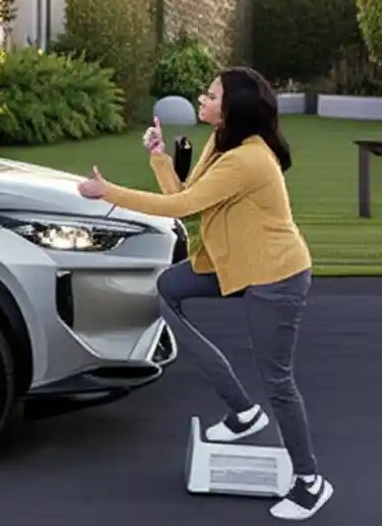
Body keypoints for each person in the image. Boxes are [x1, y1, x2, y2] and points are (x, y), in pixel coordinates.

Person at [76, 67, 331, 522]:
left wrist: (107, 193)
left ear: (231, 107)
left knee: (278, 380)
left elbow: (178, 208)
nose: (202, 98)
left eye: (211, 94)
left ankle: (310, 481)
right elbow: (188, 195)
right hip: (235, 266)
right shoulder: (221, 142)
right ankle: (242, 411)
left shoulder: (248, 159)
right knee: (168, 287)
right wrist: (158, 157)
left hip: (276, 277)